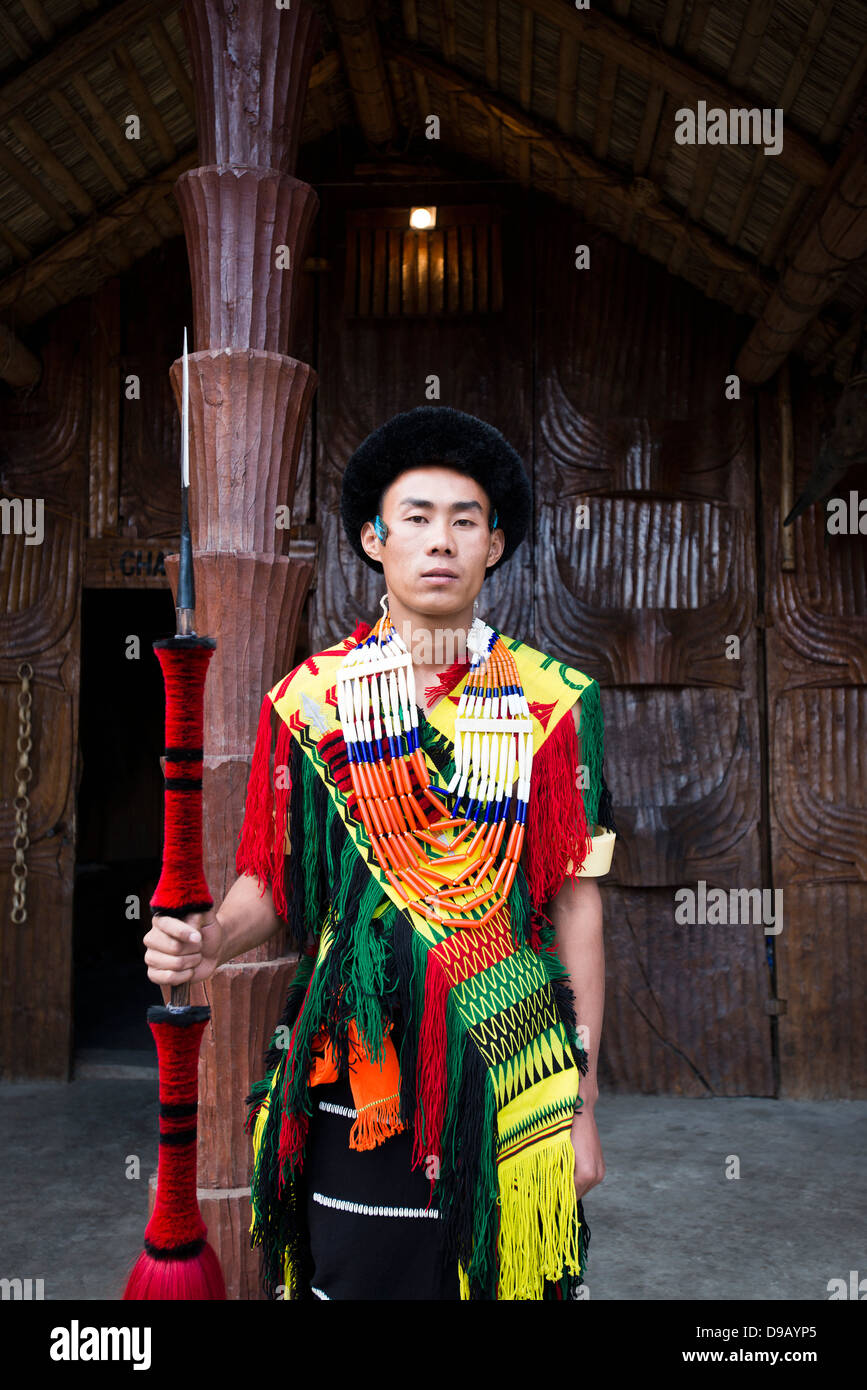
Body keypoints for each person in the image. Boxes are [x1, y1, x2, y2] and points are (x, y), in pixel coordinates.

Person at [144, 405, 616, 1301]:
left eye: (465, 520)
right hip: (353, 1073)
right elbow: (276, 886)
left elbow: (575, 907)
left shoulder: (555, 702)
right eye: (416, 517)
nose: (440, 540)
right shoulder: (311, 702)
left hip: (512, 1065)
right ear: (373, 540)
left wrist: (584, 1108)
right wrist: (207, 942)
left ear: (493, 545)